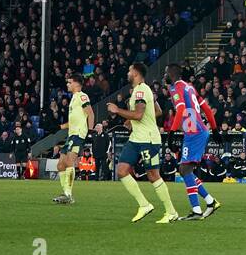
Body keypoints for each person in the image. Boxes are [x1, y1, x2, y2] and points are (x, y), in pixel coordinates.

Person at [105, 63, 179, 223]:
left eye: (130, 70)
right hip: (136, 138)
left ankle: (171, 211)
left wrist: (118, 111)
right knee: (122, 170)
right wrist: (132, 121)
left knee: (153, 175)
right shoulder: (145, 91)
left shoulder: (140, 91)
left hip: (148, 139)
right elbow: (157, 111)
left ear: (136, 73)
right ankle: (144, 205)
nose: (128, 72)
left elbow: (138, 115)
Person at [164, 64, 221, 221]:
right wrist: (214, 130)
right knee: (185, 170)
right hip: (197, 131)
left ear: (172, 74)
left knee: (184, 168)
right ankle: (210, 202)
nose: (164, 77)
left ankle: (196, 211)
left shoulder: (175, 88)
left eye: (166, 73)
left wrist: (171, 133)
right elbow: (207, 110)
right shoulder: (190, 87)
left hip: (194, 132)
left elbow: (181, 109)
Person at [53, 74, 94, 205]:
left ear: (76, 84)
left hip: (78, 134)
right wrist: (59, 127)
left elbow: (91, 113)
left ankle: (68, 194)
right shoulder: (73, 99)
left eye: (69, 82)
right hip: (71, 135)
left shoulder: (82, 96)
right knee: (60, 165)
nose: (67, 84)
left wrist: (91, 130)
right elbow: (73, 121)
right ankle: (66, 194)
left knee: (70, 161)